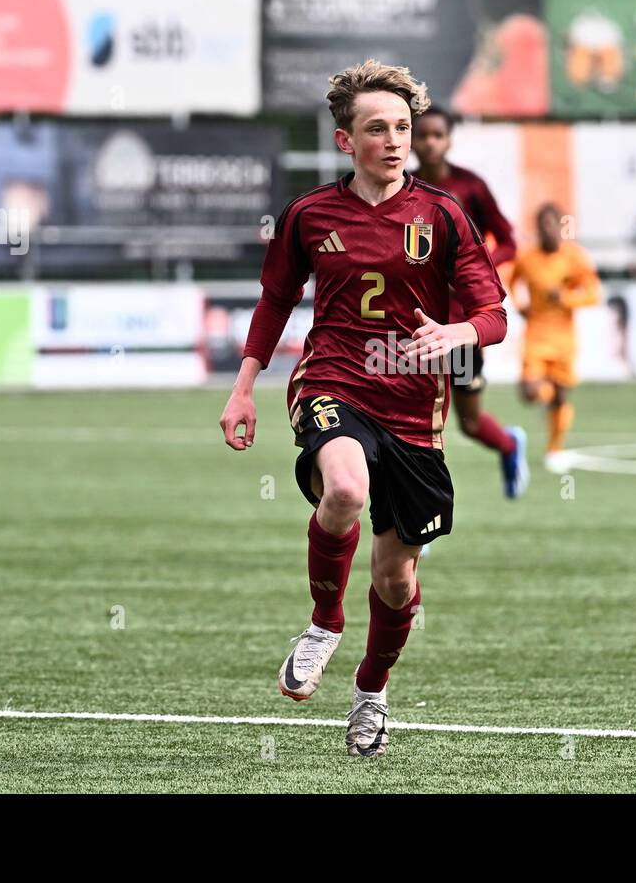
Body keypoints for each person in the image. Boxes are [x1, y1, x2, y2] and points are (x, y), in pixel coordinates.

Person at [218, 60, 508, 758]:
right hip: (334, 382)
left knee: (397, 578)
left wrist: (458, 332)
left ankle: (371, 692)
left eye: (402, 127)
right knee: (345, 487)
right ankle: (324, 623)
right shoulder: (309, 215)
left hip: (415, 414)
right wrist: (242, 387)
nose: (394, 139)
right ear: (345, 141)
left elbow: (493, 313)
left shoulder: (443, 215)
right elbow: (275, 302)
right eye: (376, 128)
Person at [412, 105, 528, 498]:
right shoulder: (400, 187)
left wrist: (475, 268)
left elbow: (509, 239)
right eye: (422, 134)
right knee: (416, 421)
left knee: (470, 423)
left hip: (462, 328)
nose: (429, 142)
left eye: (436, 134)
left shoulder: (470, 188)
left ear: (449, 139)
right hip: (412, 324)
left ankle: (510, 446)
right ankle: (411, 517)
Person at [510, 204, 601, 469]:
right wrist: (519, 305)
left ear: (561, 226)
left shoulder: (574, 258)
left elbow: (593, 293)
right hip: (536, 335)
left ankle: (554, 449)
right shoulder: (527, 258)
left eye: (552, 224)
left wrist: (565, 298)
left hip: (564, 338)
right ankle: (545, 400)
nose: (547, 230)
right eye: (542, 225)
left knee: (562, 396)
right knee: (528, 391)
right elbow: (511, 281)